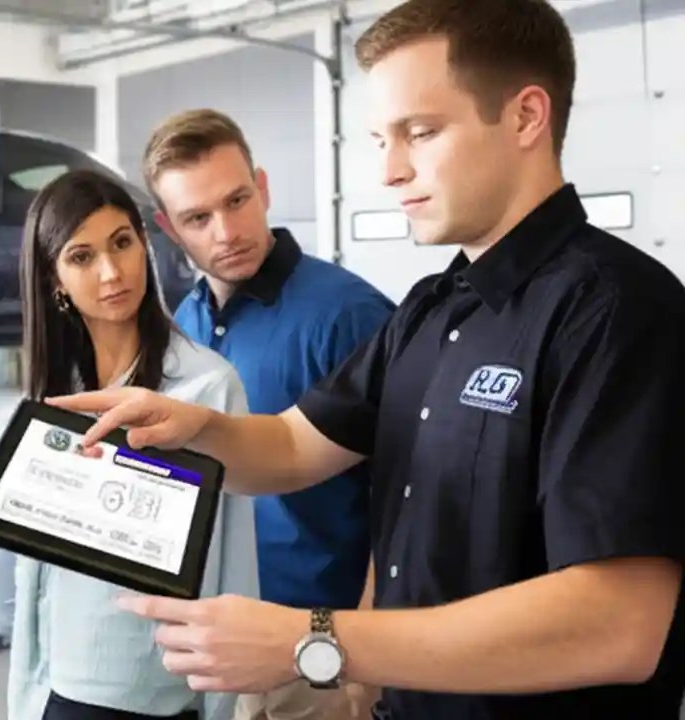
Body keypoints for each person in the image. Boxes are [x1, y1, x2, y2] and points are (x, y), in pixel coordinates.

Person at [47, 1, 685, 718]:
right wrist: (185, 425)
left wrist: (315, 639)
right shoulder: (431, 309)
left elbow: (620, 625)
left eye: (421, 132)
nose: (389, 169)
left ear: (526, 117)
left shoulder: (616, 312)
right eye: (382, 138)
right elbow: (292, 445)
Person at [0, 168, 261, 720]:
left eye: (122, 244)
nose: (111, 272)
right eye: (82, 257)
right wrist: (13, 633)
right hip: (51, 687)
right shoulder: (49, 393)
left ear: (144, 246)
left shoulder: (205, 387)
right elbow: (6, 542)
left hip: (155, 694)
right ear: (54, 278)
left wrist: (221, 704)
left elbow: (233, 562)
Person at [142, 108, 396, 719]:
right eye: (198, 218)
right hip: (221, 638)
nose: (226, 231)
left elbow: (404, 498)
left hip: (318, 646)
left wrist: (366, 659)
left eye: (237, 200)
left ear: (262, 187)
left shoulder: (351, 316)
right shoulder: (188, 320)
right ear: (168, 229)